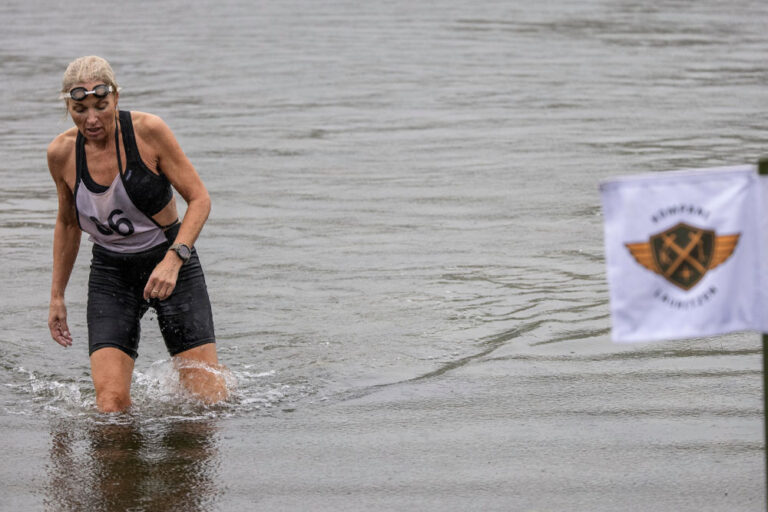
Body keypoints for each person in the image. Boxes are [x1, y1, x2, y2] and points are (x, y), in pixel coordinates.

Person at [47, 56, 228, 412]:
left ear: (115, 98)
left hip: (170, 264)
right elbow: (68, 224)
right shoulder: (60, 154)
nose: (92, 119)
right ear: (68, 105)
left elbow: (200, 199)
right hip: (111, 273)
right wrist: (57, 296)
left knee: (208, 403)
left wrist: (174, 259)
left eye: (101, 106)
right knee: (110, 405)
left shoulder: (149, 132)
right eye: (79, 109)